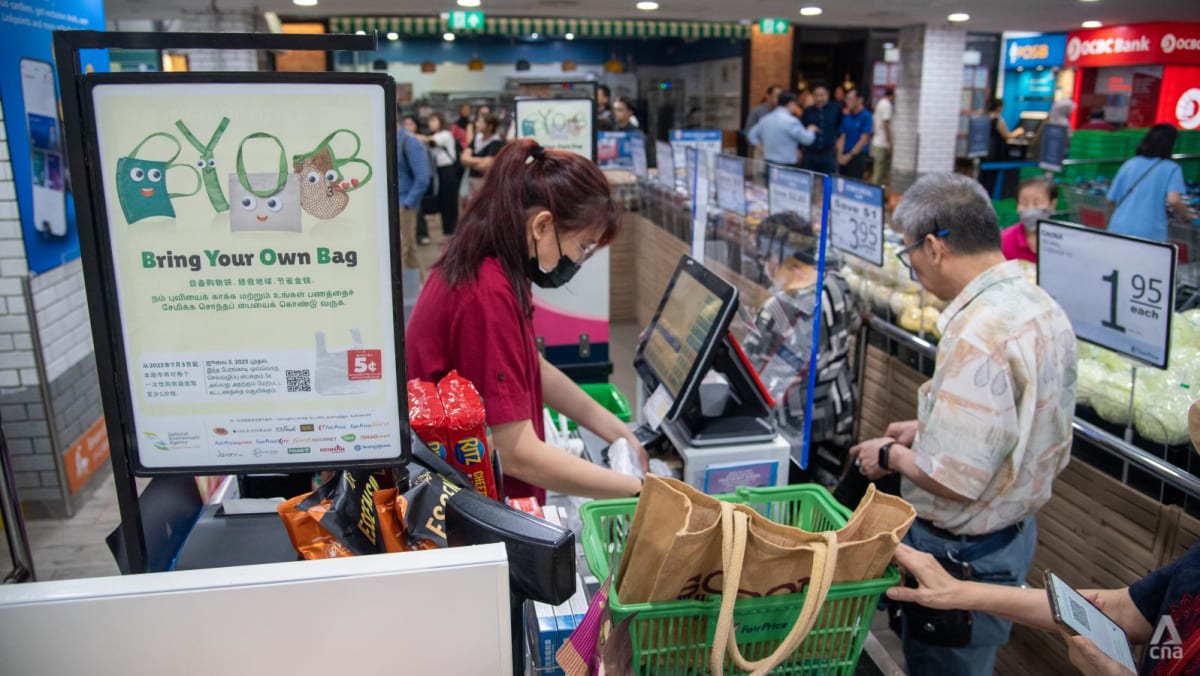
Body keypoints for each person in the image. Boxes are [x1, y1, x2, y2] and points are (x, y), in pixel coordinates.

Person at [850, 173, 1077, 675]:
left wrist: (890, 455)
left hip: (960, 553)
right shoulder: (1039, 303)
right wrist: (927, 425)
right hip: (1011, 537)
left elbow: (952, 479)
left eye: (909, 253)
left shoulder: (979, 332)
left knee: (943, 666)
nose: (912, 266)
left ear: (933, 246)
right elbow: (1013, 421)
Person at [406, 139, 648, 502]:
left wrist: (618, 431)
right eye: (582, 247)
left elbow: (530, 366)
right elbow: (516, 451)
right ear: (542, 226)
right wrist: (640, 491)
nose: (578, 261)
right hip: (463, 498)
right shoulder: (486, 291)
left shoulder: (499, 264)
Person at [1106, 124, 1193, 242]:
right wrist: (1189, 216)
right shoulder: (1172, 168)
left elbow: (1111, 199)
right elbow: (1174, 200)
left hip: (1119, 227)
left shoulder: (1130, 164)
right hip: (1150, 232)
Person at [397, 114, 432, 271]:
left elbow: (423, 177)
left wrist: (408, 203)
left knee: (406, 250)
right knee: (403, 251)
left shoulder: (409, 142)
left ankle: (417, 291)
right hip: (393, 204)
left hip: (404, 205)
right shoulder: (390, 141)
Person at [746, 92, 817, 168]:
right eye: (795, 104)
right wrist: (811, 130)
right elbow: (807, 140)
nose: (796, 107)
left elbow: (751, 135)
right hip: (786, 164)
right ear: (790, 103)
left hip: (768, 162)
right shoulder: (791, 121)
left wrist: (760, 146)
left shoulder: (766, 119)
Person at [1000, 177, 1058, 264]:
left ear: (1052, 204)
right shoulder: (1004, 240)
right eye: (1024, 203)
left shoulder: (1061, 240)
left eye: (1036, 203)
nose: (1030, 209)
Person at [421, 112, 460, 238]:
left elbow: (431, 141)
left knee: (449, 203)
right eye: (429, 121)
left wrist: (412, 135)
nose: (430, 124)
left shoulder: (445, 134)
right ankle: (447, 231)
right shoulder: (434, 135)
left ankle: (451, 231)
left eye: (433, 120)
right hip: (438, 171)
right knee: (443, 202)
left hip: (447, 170)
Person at [461, 113, 504, 203]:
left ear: (490, 126)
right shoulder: (477, 138)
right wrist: (481, 160)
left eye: (481, 122)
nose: (477, 124)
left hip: (484, 182)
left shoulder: (495, 142)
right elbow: (463, 158)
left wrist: (471, 161)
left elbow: (486, 165)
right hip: (471, 181)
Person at [801, 86, 842, 175]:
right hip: (810, 153)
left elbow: (840, 127)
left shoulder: (836, 108)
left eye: (822, 95)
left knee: (829, 180)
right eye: (816, 95)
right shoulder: (808, 111)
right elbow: (801, 129)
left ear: (827, 95)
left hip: (828, 153)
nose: (819, 99)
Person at [836, 88, 873, 179]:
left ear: (860, 100)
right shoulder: (847, 116)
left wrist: (849, 156)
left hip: (857, 156)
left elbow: (864, 139)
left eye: (850, 99)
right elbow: (842, 137)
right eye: (846, 98)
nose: (847, 101)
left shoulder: (866, 116)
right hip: (843, 156)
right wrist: (839, 156)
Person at [871, 87, 895, 188]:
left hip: (877, 141)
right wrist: (889, 143)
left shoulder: (880, 103)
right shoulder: (887, 105)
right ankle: (874, 198)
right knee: (879, 174)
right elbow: (886, 124)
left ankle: (880, 197)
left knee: (880, 173)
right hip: (882, 143)